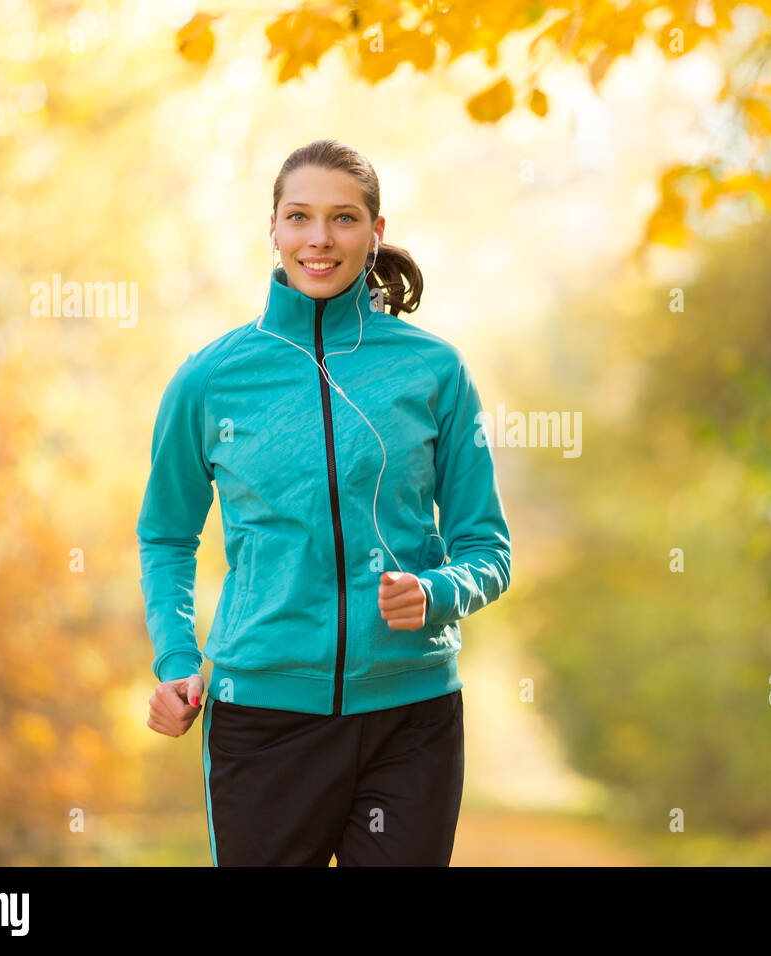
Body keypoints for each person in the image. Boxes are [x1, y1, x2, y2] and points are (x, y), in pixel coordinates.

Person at [136, 139, 512, 866]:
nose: (319, 238)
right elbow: (166, 535)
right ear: (271, 230)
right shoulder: (211, 379)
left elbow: (488, 549)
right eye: (299, 216)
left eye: (342, 219)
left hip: (412, 716)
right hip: (265, 717)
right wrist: (177, 659)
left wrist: (438, 591)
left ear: (375, 232)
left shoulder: (433, 369)